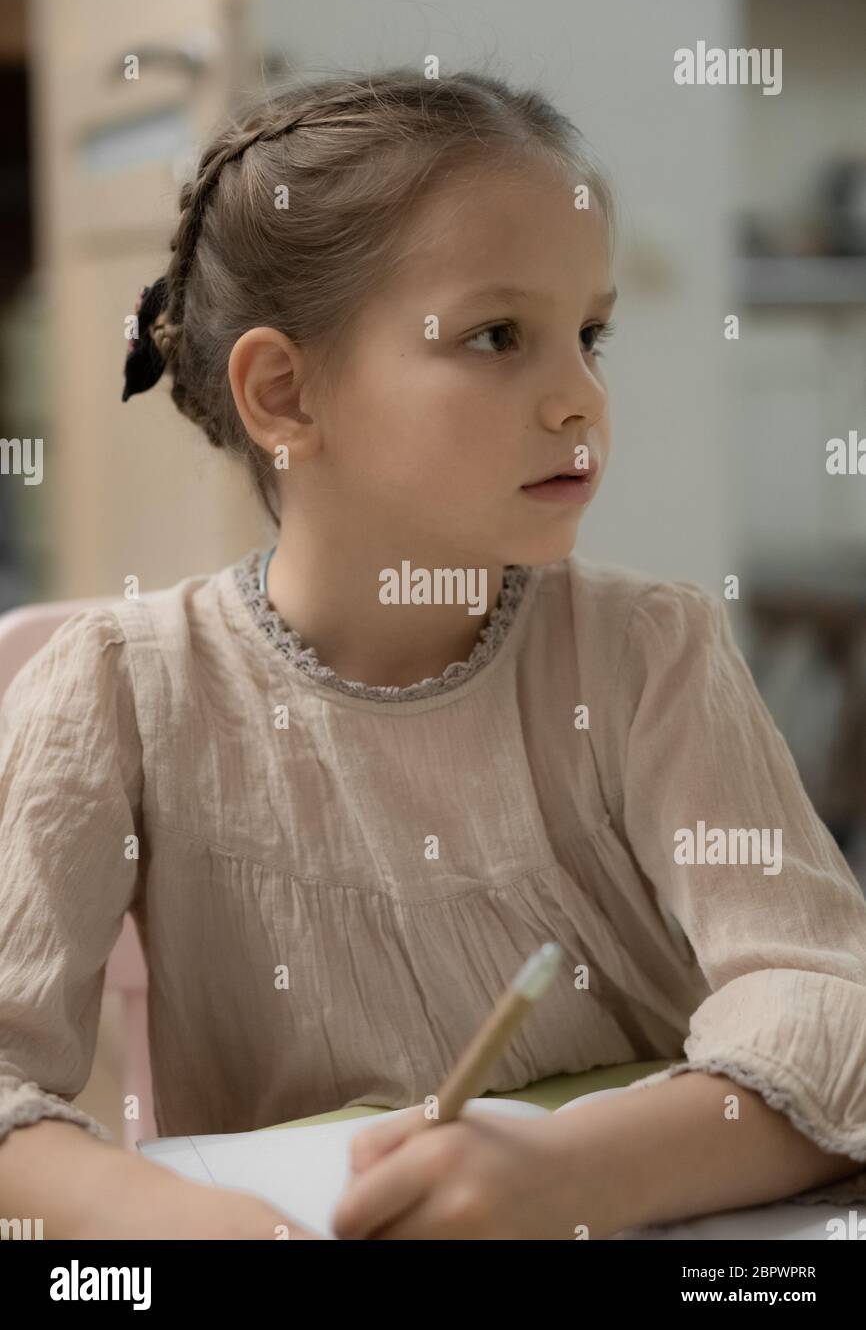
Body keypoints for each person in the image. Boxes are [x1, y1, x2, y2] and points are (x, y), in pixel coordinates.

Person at [1, 68, 865, 1240]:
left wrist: (572, 1174)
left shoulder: (648, 652)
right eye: (497, 335)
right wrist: (185, 1223)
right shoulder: (113, 691)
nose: (578, 399)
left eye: (589, 333)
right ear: (283, 391)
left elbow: (829, 1009)